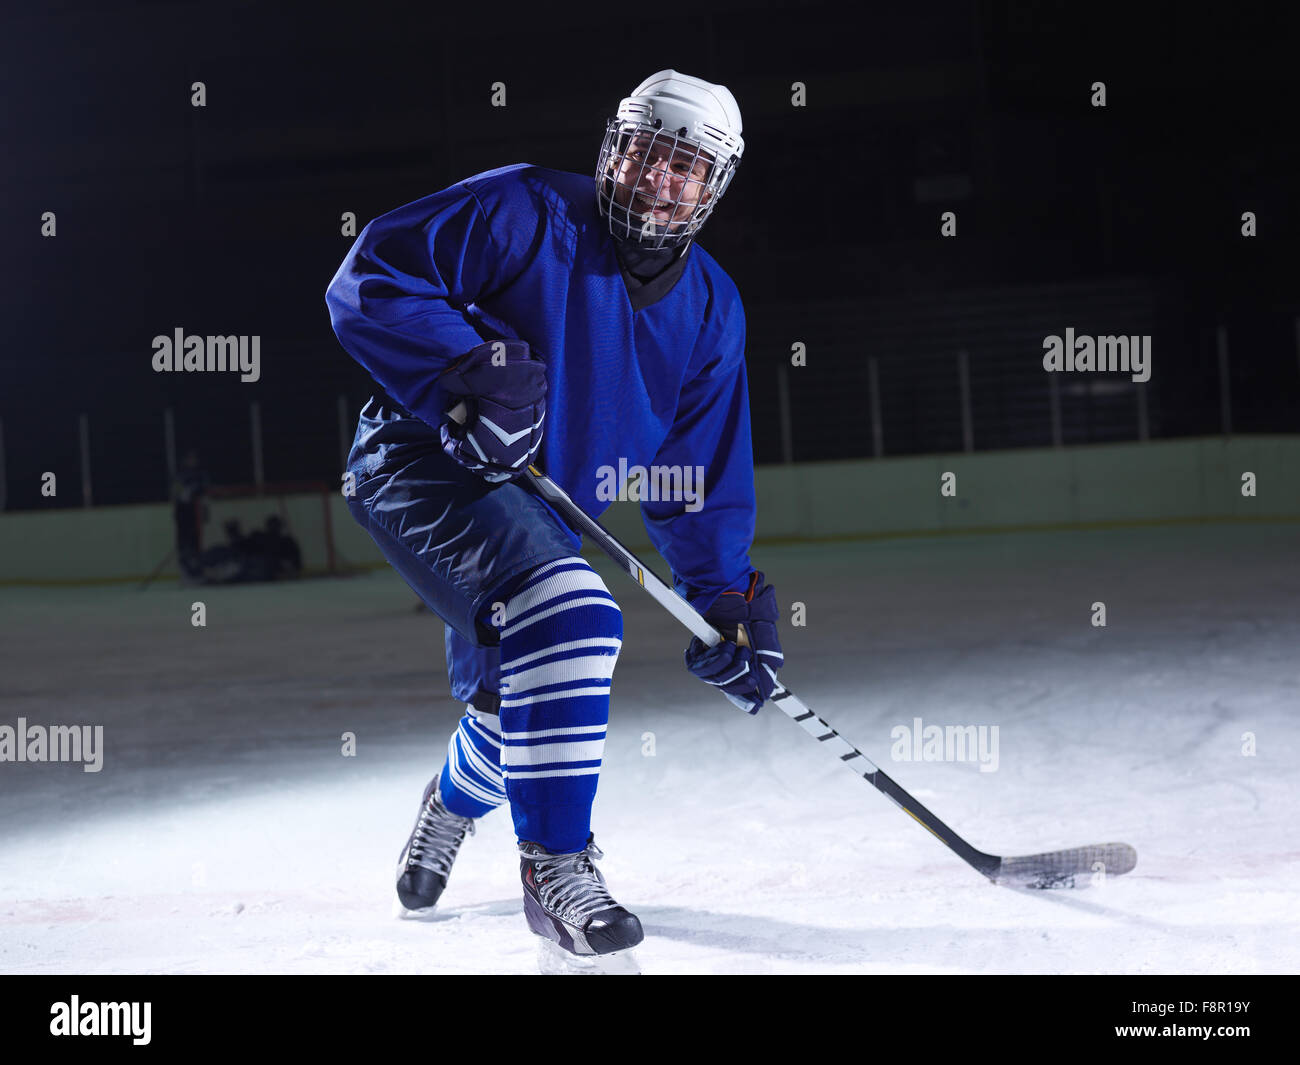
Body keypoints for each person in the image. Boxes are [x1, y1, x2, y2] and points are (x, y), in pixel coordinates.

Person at [326, 70, 783, 965]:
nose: (659, 180)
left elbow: (694, 469)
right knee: (575, 620)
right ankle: (556, 868)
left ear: (714, 188)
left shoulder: (712, 309)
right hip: (422, 462)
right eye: (649, 153)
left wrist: (723, 592)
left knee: (519, 708)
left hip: (540, 512)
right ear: (616, 147)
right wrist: (463, 372)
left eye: (685, 169)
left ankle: (450, 804)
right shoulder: (522, 208)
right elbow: (371, 274)